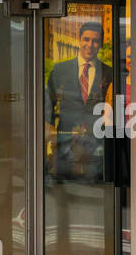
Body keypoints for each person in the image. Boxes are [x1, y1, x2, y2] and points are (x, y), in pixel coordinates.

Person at [45, 21, 114, 183]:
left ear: (100, 44)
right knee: (62, 192)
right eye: (86, 39)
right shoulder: (60, 70)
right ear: (79, 40)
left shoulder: (109, 73)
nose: (90, 45)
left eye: (95, 41)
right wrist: (48, 132)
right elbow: (48, 103)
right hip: (65, 144)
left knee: (95, 190)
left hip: (95, 146)